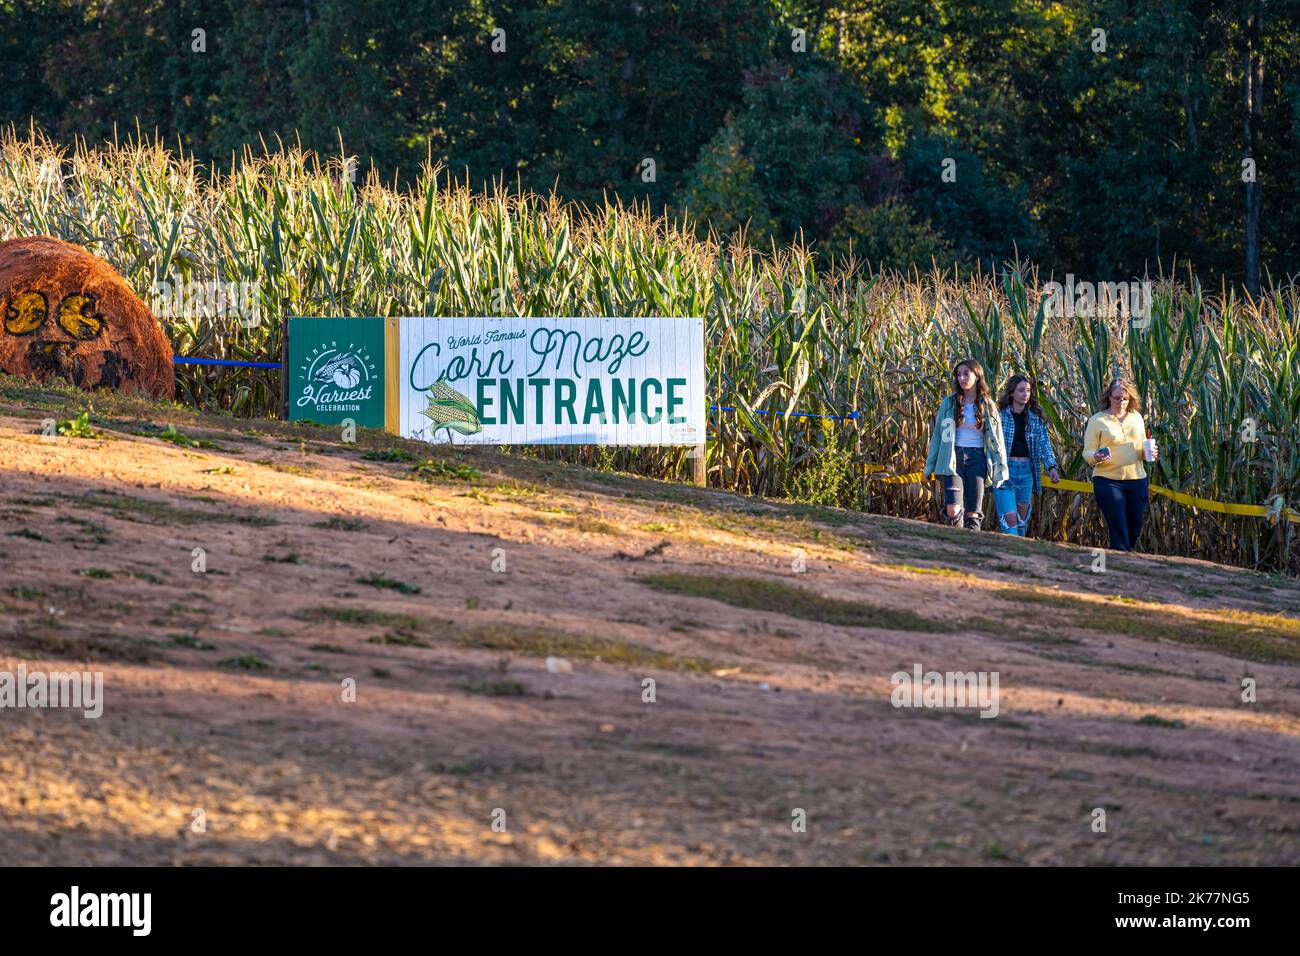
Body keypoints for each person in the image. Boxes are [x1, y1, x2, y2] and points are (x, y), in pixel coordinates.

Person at [924, 358, 1008, 530]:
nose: (962, 378)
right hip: (952, 459)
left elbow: (998, 442)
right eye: (959, 374)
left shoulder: (988, 406)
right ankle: (956, 544)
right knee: (953, 509)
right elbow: (938, 437)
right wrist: (929, 466)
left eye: (966, 374)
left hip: (977, 459)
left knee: (973, 512)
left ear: (977, 376)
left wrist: (1001, 470)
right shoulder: (949, 403)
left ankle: (970, 550)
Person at [1083, 377, 1158, 551]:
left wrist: (1149, 453)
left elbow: (1141, 446)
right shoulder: (1097, 421)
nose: (1121, 402)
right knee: (1119, 528)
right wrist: (1096, 456)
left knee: (1134, 529)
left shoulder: (1136, 418)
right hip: (1108, 480)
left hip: (1137, 479)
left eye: (1125, 399)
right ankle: (1119, 566)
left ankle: (1121, 562)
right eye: (1117, 398)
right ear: (1109, 397)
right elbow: (1087, 452)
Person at [993, 375, 1060, 536]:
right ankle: (1011, 554)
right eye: (1021, 390)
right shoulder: (999, 416)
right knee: (1010, 521)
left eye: (1028, 390)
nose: (1025, 394)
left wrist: (1051, 466)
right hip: (1004, 471)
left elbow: (1044, 445)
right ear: (1011, 393)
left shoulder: (1034, 419)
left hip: (1026, 472)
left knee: (1021, 522)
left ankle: (1019, 558)